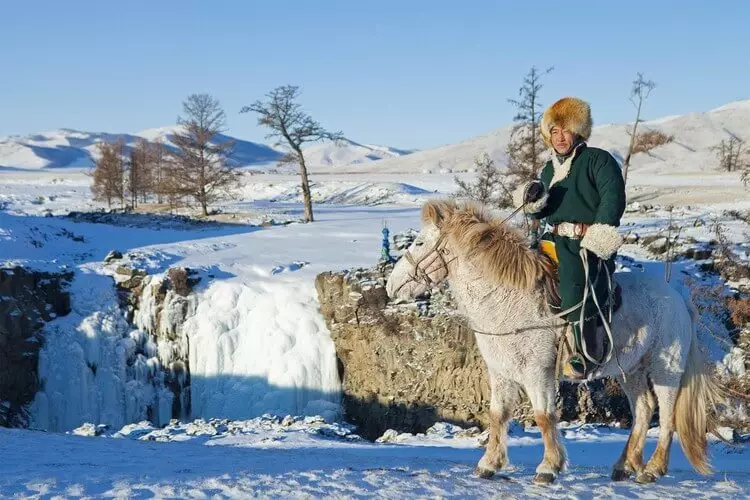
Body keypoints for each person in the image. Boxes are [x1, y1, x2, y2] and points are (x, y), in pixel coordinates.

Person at [513, 97, 626, 379]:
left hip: (586, 242)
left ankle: (584, 354)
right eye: (554, 131)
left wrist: (596, 237)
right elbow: (543, 210)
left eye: (565, 130)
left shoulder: (598, 160)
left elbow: (613, 199)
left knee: (574, 282)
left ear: (578, 132)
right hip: (553, 241)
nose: (559, 137)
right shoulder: (550, 169)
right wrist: (533, 201)